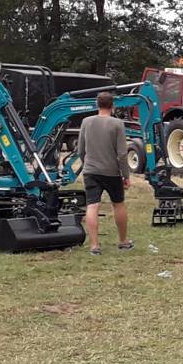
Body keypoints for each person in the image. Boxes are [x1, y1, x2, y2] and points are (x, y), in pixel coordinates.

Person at [75, 91, 134, 254]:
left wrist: (86, 162)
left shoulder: (86, 122)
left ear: (97, 104)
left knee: (92, 205)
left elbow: (81, 149)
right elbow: (122, 153)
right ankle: (123, 241)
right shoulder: (117, 124)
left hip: (90, 170)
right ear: (112, 106)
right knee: (118, 204)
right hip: (111, 172)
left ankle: (94, 245)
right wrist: (126, 175)